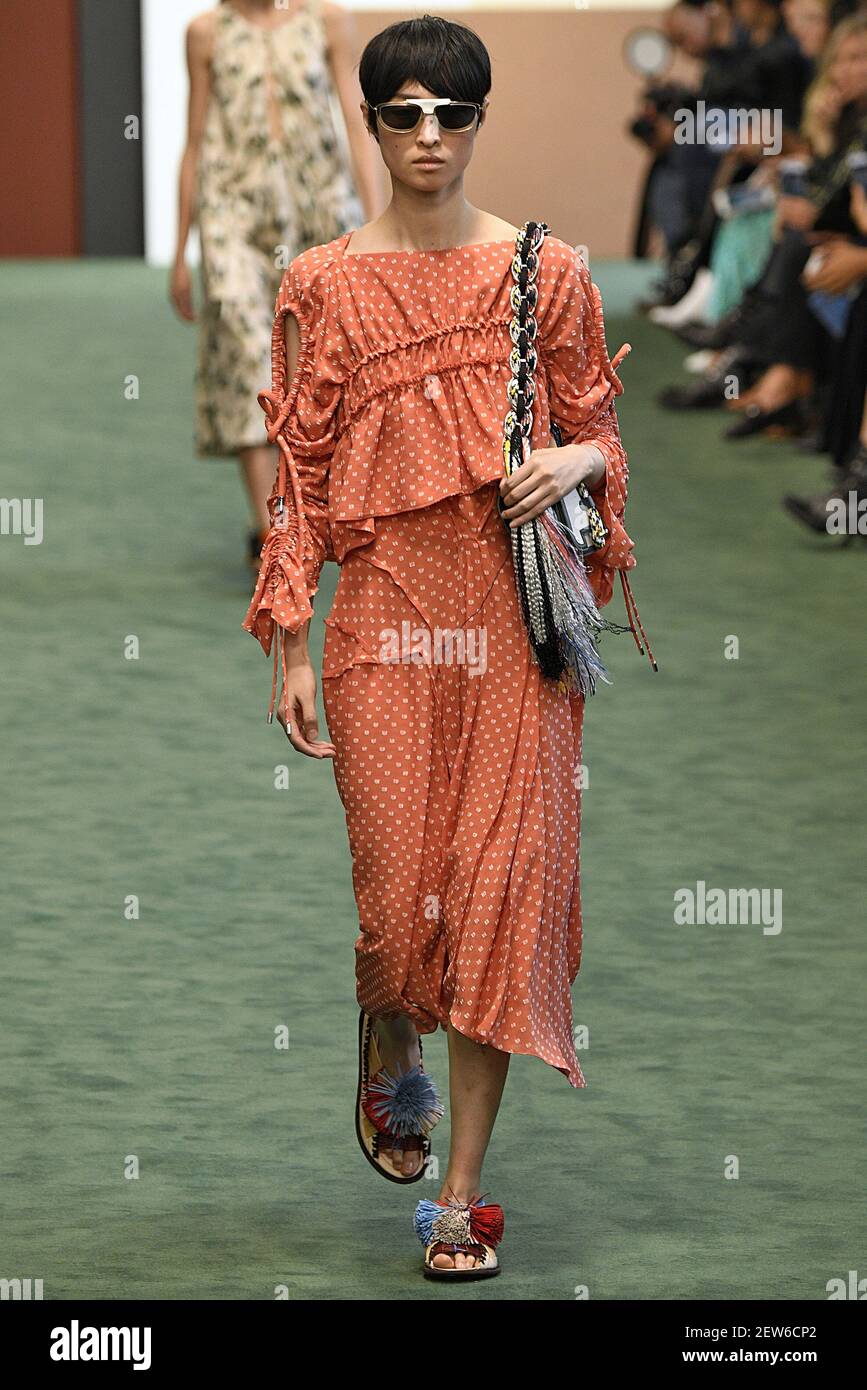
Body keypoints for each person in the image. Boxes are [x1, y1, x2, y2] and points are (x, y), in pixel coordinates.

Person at [243, 13, 639, 1280]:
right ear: (370, 122)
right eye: (404, 113)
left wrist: (576, 458)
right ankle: (385, 1029)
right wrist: (289, 642)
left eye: (452, 115)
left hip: (515, 632)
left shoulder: (549, 271)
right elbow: (298, 477)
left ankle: (459, 1196)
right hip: (384, 634)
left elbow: (602, 438)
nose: (429, 137)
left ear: (479, 122)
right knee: (398, 906)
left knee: (493, 910)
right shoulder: (324, 282)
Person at [170, 0, 381, 572]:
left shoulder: (328, 21)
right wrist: (181, 250)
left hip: (317, 211)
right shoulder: (206, 33)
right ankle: (274, 533)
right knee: (245, 357)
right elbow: (194, 140)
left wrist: (380, 226)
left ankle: (300, 505)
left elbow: (356, 126)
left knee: (316, 366)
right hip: (231, 215)